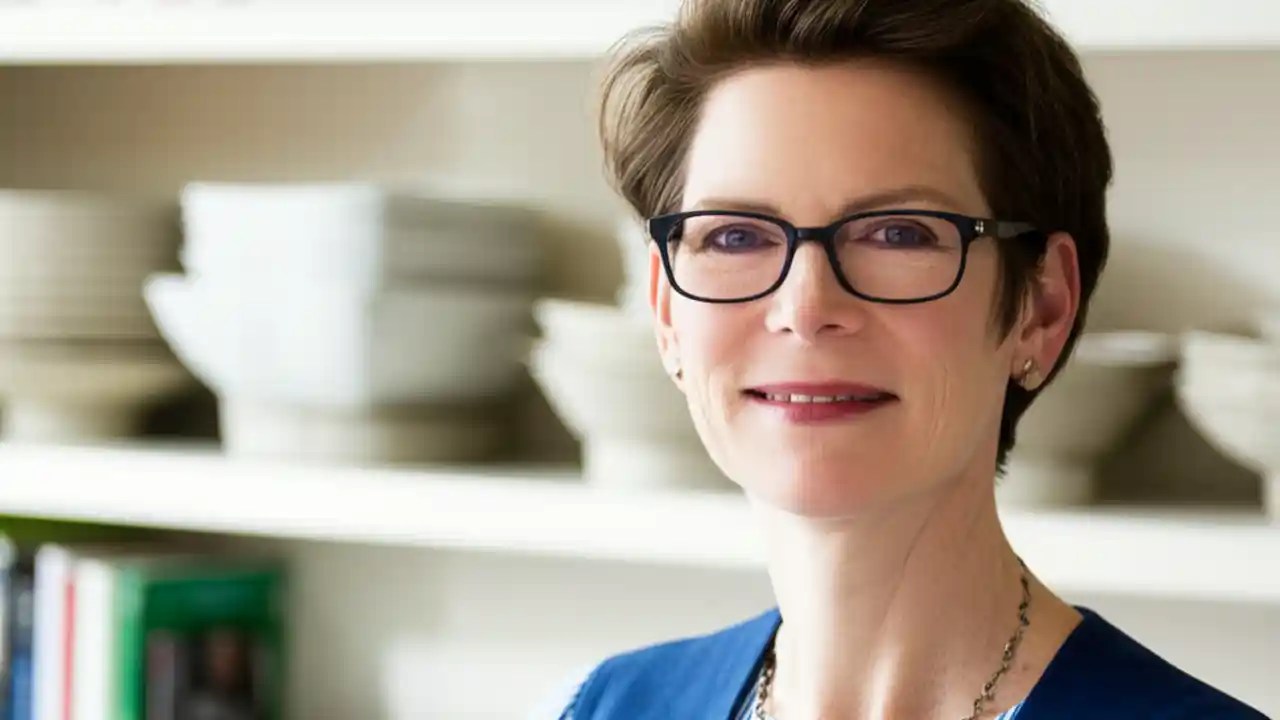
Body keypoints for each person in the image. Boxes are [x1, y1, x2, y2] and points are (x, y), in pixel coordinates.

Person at [540, 0, 1272, 717]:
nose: (805, 308)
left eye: (897, 234)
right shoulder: (614, 705)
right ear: (666, 312)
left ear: (1041, 308)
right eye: (734, 237)